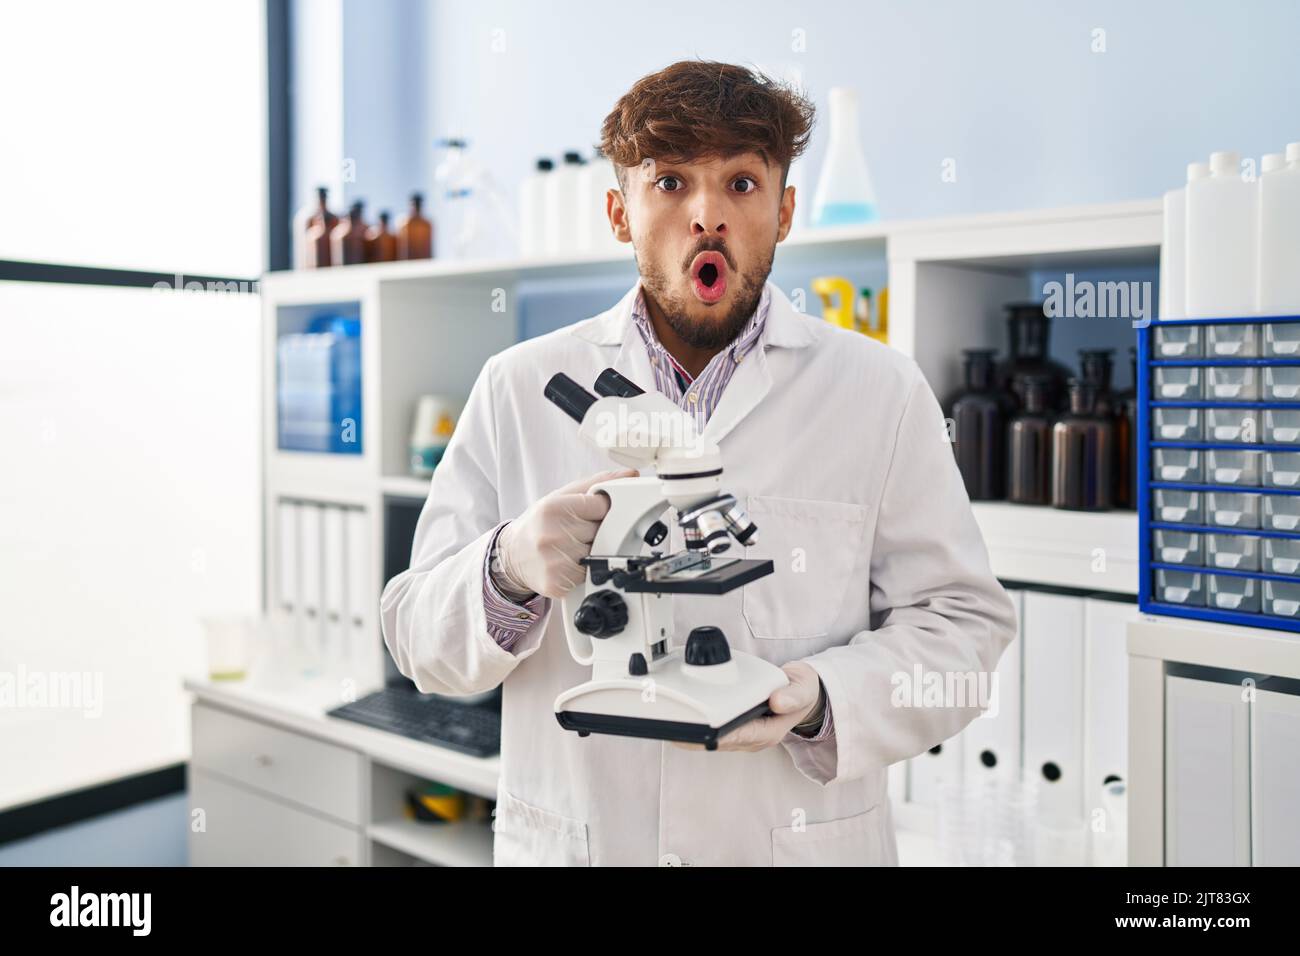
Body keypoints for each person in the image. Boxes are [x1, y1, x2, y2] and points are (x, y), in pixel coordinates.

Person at [381, 59, 1017, 866]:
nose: (707, 215)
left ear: (785, 212)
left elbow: (964, 631)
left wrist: (822, 699)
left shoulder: (879, 391)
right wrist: (507, 566)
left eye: (743, 185)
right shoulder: (521, 387)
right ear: (620, 212)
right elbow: (415, 637)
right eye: (672, 182)